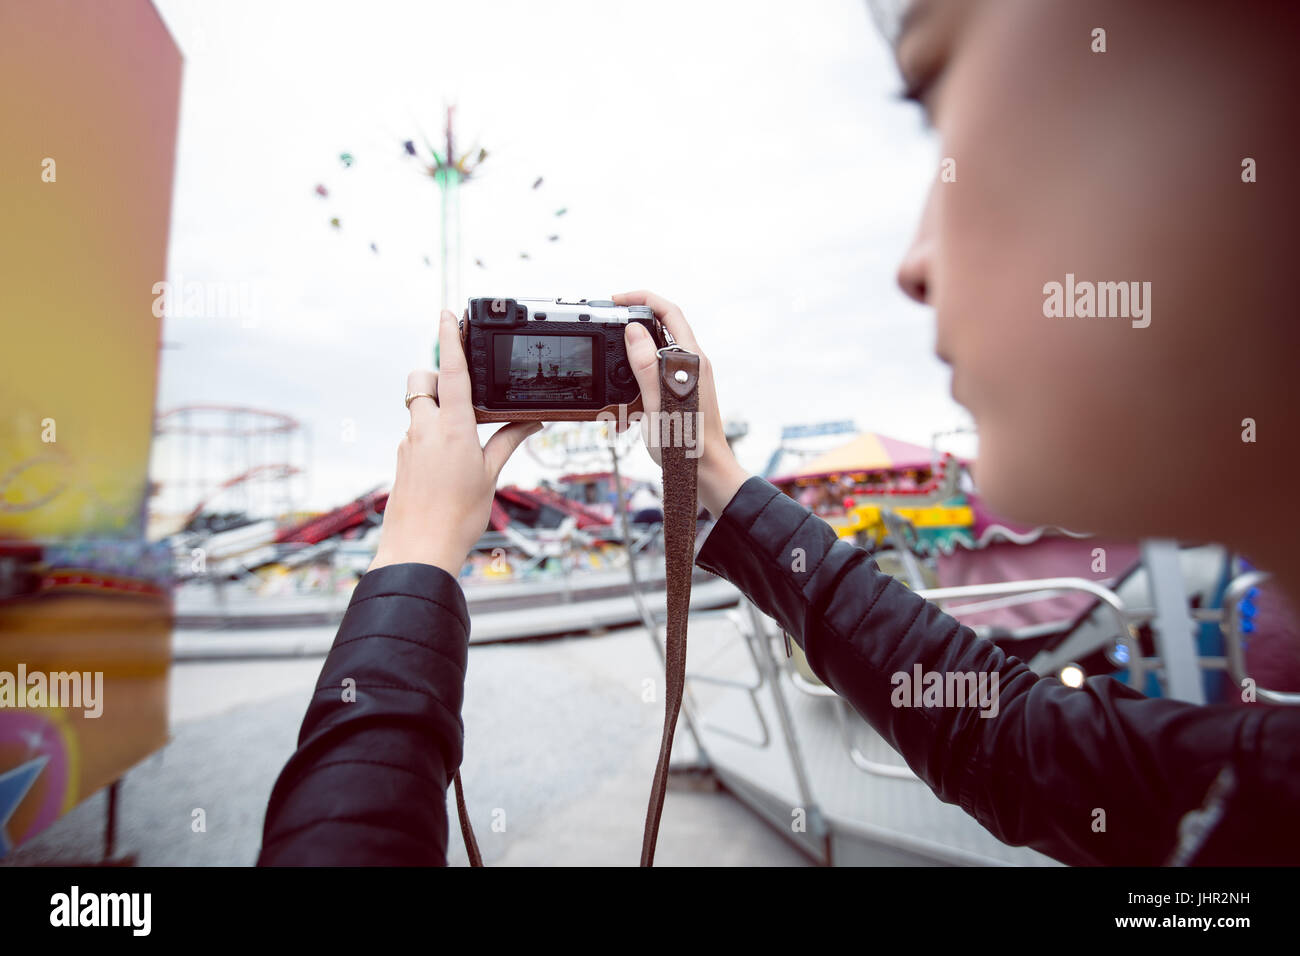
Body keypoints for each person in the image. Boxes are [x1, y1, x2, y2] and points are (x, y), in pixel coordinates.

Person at [260, 0, 1300, 865]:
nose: (912, 260)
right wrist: (717, 474)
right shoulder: (1258, 780)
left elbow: (1013, 746)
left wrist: (411, 559)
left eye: (937, 108)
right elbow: (1016, 742)